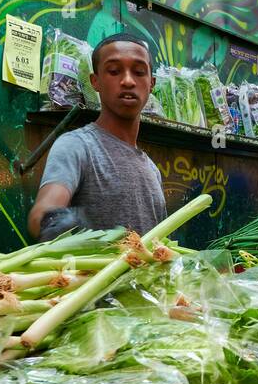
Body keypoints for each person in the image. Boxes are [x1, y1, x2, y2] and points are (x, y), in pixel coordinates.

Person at [29, 34, 167, 240]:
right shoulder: (77, 146)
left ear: (151, 83)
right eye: (113, 71)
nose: (128, 81)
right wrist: (55, 223)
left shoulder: (152, 170)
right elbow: (42, 213)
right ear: (95, 82)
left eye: (139, 72)